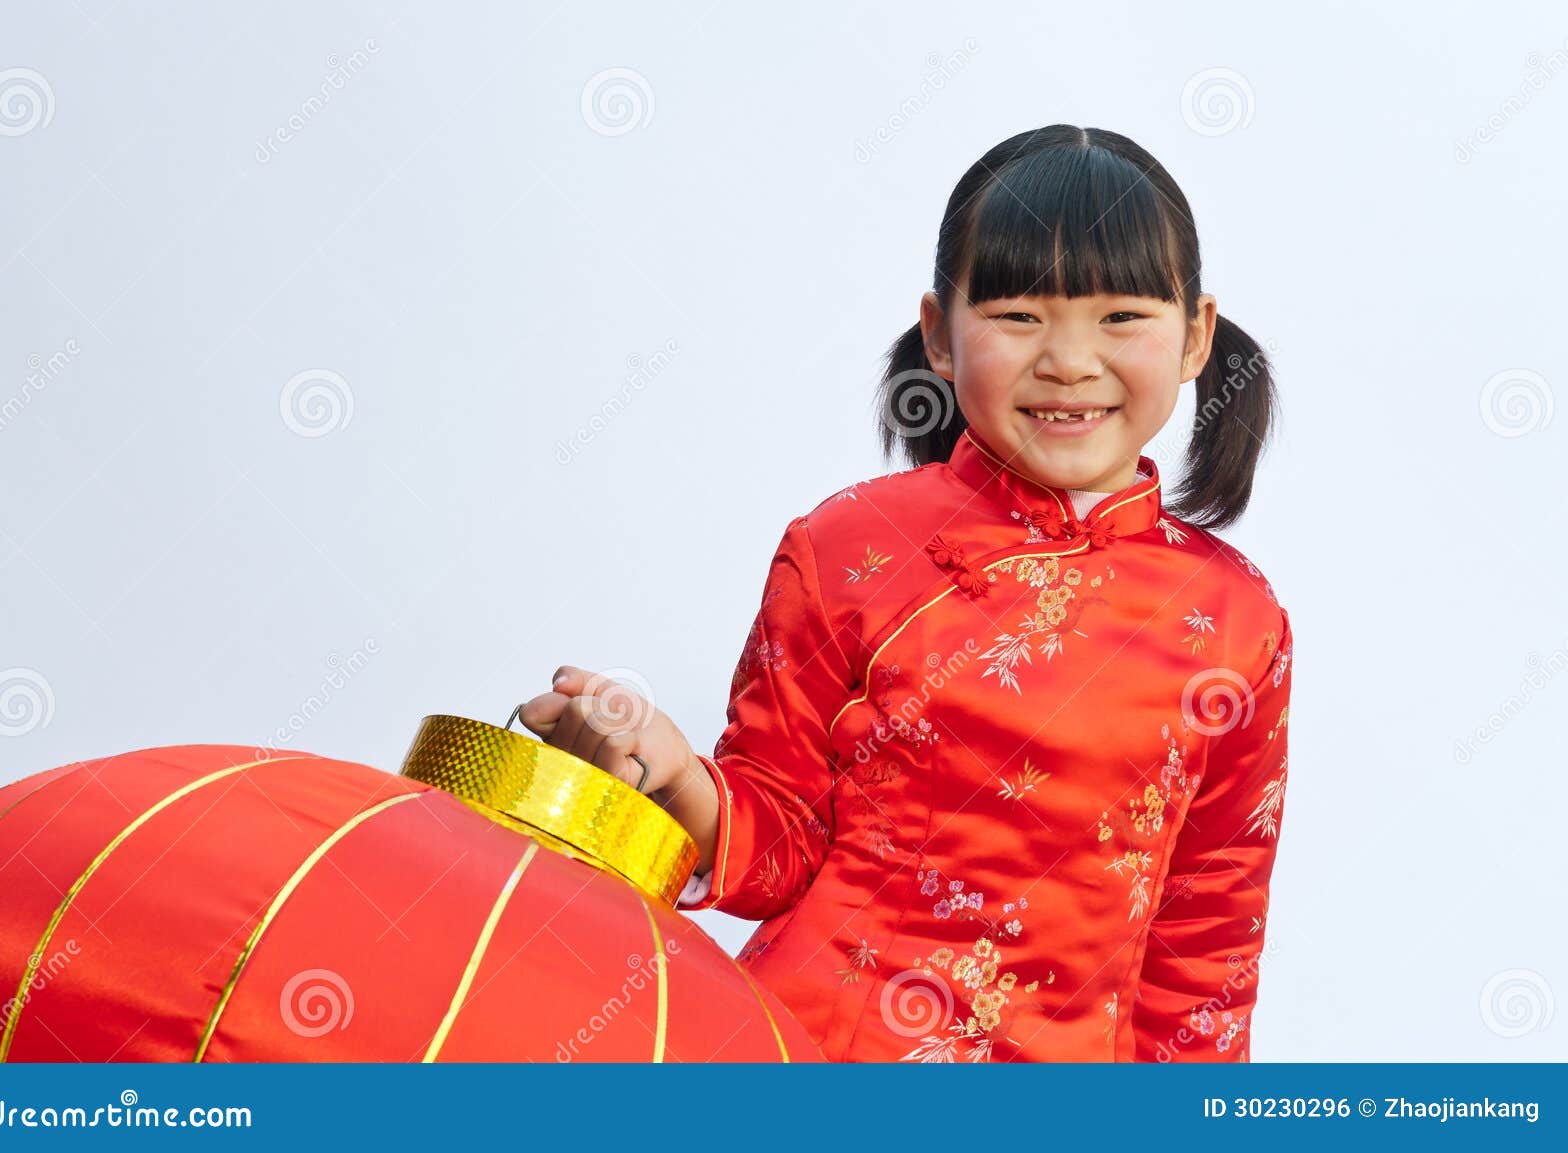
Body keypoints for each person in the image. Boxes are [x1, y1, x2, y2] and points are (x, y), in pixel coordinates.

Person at [520, 124, 1293, 1063]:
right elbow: (782, 839)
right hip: (817, 1052)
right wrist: (676, 777)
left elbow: (1205, 952)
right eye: (1018, 315)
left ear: (1196, 337)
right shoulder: (849, 547)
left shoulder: (1238, 623)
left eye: (1121, 317)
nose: (1069, 360)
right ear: (938, 332)